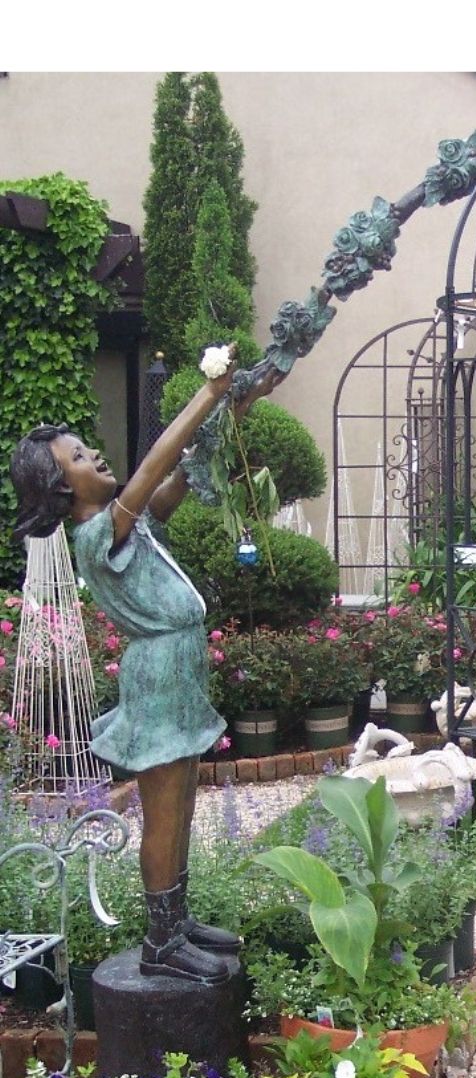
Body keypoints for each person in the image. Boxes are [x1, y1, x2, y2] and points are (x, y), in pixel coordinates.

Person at [10, 347, 283, 986]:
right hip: (157, 675)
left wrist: (238, 405)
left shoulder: (128, 523)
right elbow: (158, 460)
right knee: (163, 807)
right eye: (78, 458)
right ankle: (161, 940)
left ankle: (178, 921)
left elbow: (180, 474)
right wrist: (207, 394)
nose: (94, 456)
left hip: (176, 668)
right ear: (59, 489)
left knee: (183, 798)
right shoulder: (96, 535)